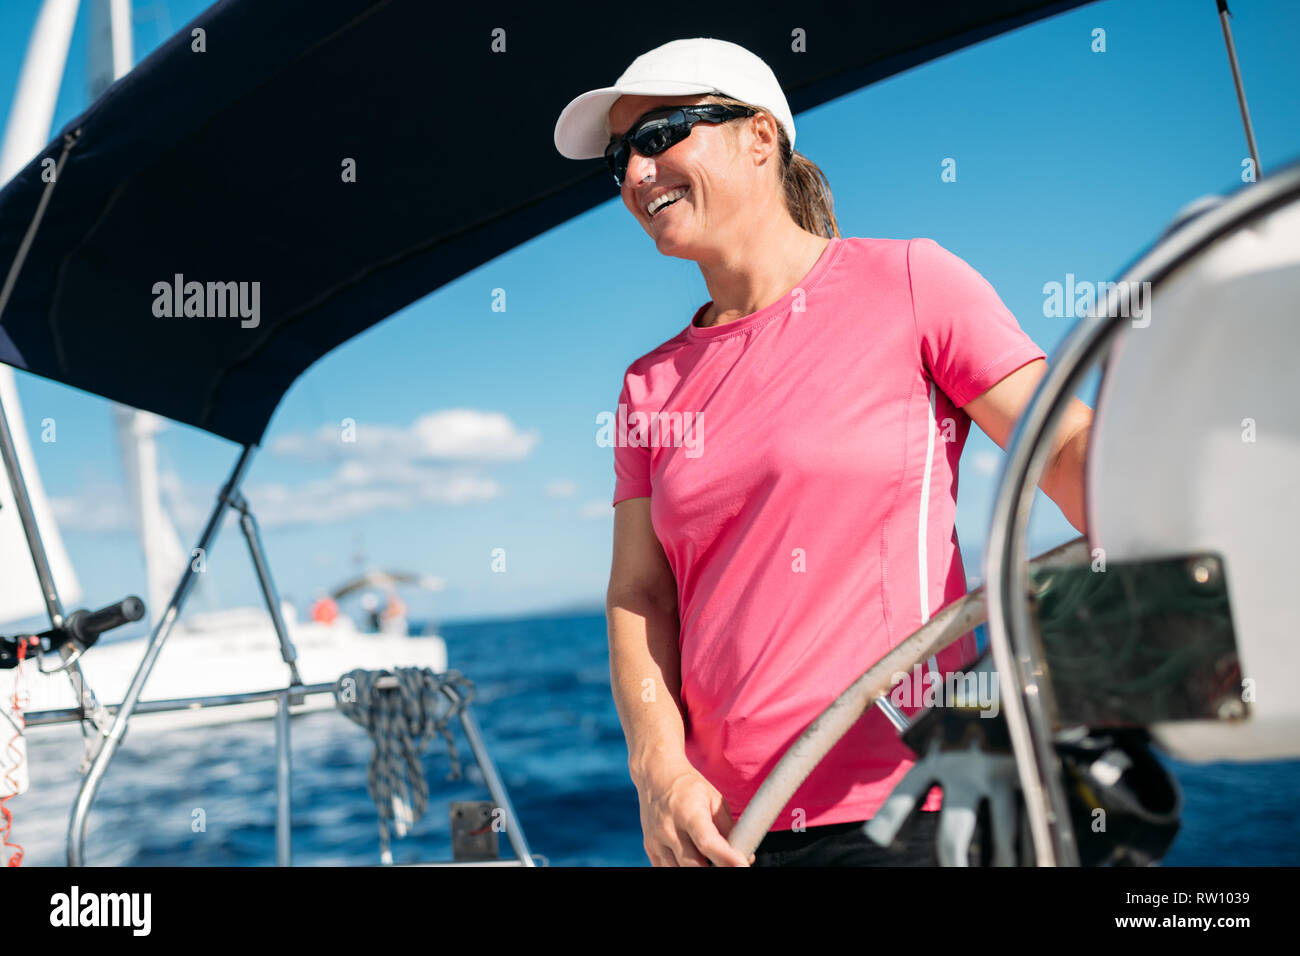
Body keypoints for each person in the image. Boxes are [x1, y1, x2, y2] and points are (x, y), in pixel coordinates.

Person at [554, 38, 1093, 867]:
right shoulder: (647, 386)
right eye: (621, 156)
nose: (634, 173)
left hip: (917, 804)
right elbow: (638, 596)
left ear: (760, 136)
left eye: (661, 135)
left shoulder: (913, 282)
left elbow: (1064, 448)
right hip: (729, 834)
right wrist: (658, 770)